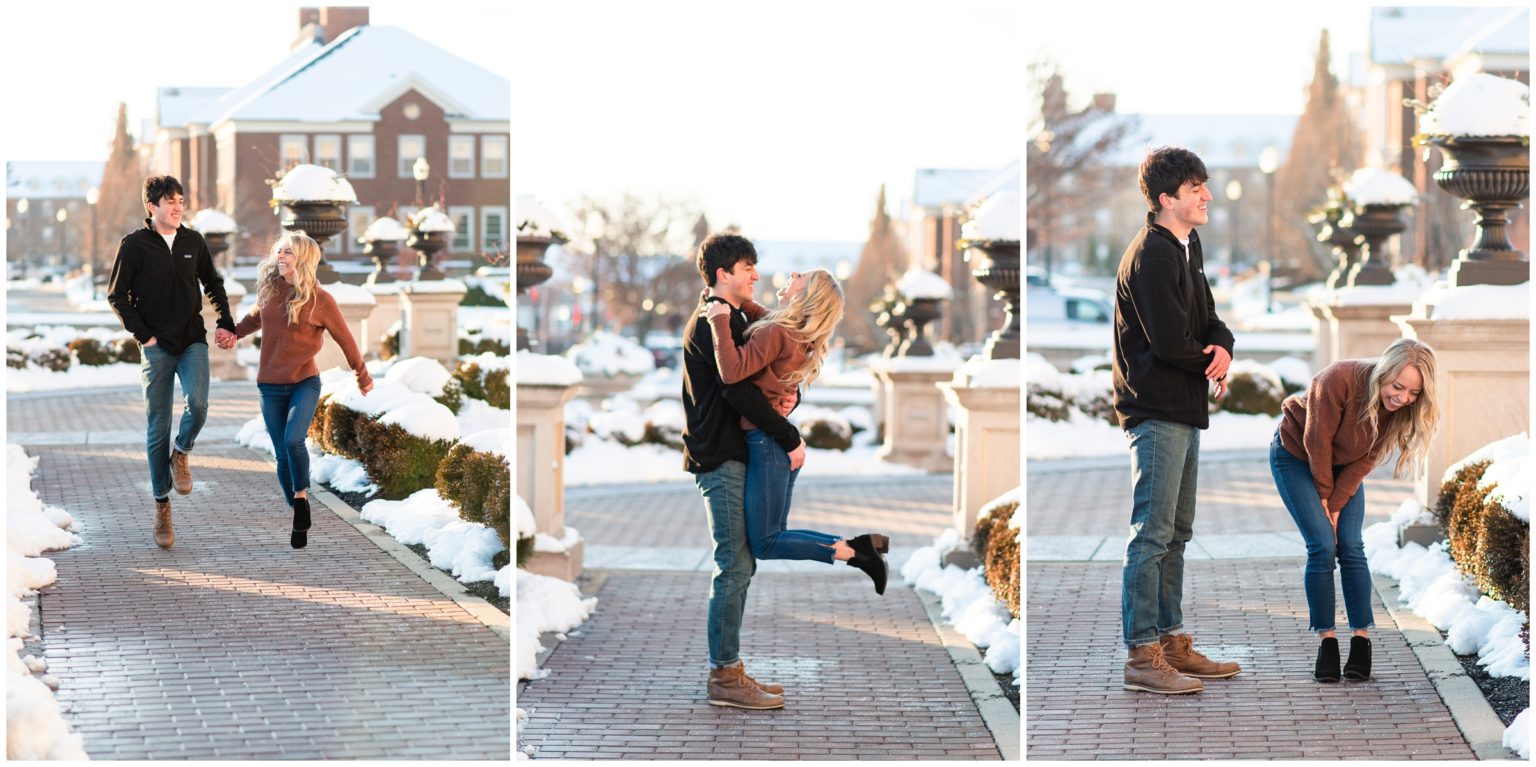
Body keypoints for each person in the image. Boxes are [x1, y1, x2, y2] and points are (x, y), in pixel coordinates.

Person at [1112, 147, 1240, 695]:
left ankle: (1171, 643)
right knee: (1152, 535)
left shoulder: (1187, 246)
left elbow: (1208, 317)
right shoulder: (1153, 255)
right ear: (1167, 199)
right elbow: (1168, 342)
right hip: (1157, 410)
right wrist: (1207, 358)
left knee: (1177, 534)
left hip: (1183, 408)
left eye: (1204, 186)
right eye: (1195, 189)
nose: (1206, 195)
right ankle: (1143, 654)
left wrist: (1224, 347)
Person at [704, 268, 889, 593]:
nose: (791, 272)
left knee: (767, 542)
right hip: (773, 445)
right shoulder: (794, 334)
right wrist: (735, 301)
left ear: (806, 294)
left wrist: (719, 319)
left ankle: (856, 553)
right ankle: (859, 548)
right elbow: (767, 322)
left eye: (801, 275)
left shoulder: (777, 332)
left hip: (766, 444)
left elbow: (732, 372)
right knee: (775, 535)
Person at [681, 233, 805, 710]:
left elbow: (764, 377)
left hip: (731, 454)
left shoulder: (731, 317)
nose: (756, 274)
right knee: (734, 565)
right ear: (722, 275)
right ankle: (725, 677)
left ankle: (730, 667)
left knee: (742, 563)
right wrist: (789, 436)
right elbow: (738, 392)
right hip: (720, 456)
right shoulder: (713, 321)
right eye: (747, 267)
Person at [1272, 338, 1438, 682]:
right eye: (1398, 386)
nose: (1403, 398)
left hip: (1344, 467)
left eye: (1413, 393)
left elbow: (1365, 460)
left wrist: (1335, 504)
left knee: (1351, 546)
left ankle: (1361, 643)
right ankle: (1327, 643)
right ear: (1384, 372)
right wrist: (1323, 499)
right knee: (1322, 545)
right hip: (1296, 455)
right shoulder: (1339, 378)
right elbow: (1316, 441)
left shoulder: (1399, 411)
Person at [107, 175, 237, 550]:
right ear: (152, 206)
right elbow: (117, 296)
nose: (178, 207)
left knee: (198, 405)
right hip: (156, 347)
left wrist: (226, 320)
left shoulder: (192, 241)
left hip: (191, 341)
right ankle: (162, 506)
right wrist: (144, 336)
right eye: (170, 201)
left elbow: (212, 282)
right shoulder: (134, 245)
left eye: (180, 200)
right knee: (156, 428)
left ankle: (181, 453)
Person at [229, 232, 373, 549]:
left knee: (294, 440)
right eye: (279, 250)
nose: (280, 256)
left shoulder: (321, 300)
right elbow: (256, 317)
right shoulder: (269, 290)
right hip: (269, 385)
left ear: (303, 259)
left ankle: (302, 496)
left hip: (304, 382)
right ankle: (298, 512)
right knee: (282, 456)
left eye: (288, 253)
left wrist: (361, 374)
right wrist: (233, 334)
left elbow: (345, 338)